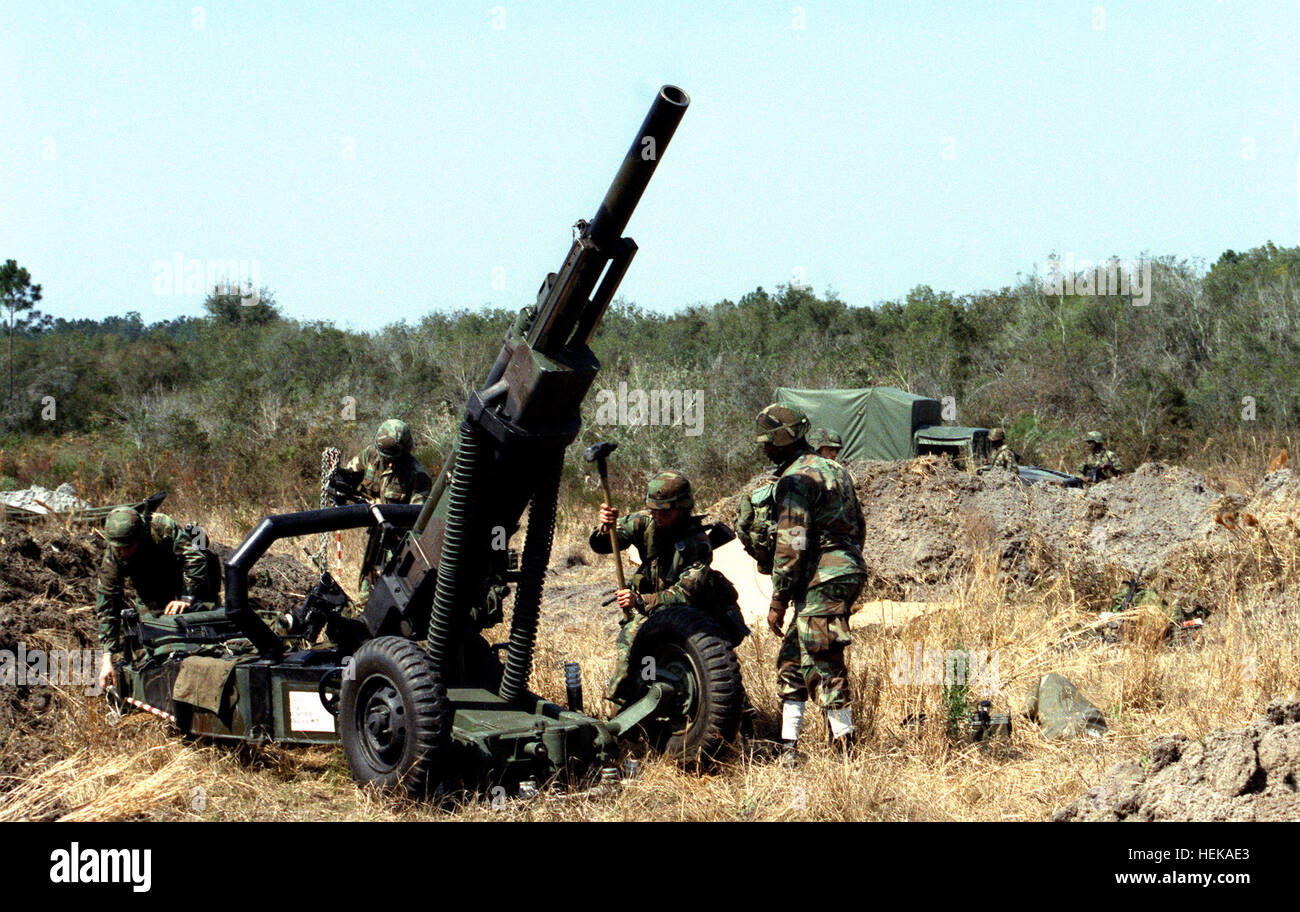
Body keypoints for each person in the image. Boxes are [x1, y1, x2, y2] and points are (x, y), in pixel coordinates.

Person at [754, 403, 866, 763]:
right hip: (839, 569)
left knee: (822, 657)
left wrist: (778, 599)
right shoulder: (834, 469)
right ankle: (789, 747)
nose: (764, 448)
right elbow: (858, 526)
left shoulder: (795, 480)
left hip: (822, 574)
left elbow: (793, 541)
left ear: (782, 440)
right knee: (792, 656)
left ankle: (845, 752)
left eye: (768, 441)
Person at [590, 471, 746, 707]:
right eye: (654, 509)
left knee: (717, 668)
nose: (658, 516)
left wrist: (640, 601)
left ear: (682, 509)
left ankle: (740, 715)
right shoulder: (644, 521)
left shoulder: (698, 544)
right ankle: (625, 712)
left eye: (666, 511)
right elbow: (602, 545)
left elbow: (684, 594)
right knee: (632, 655)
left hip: (692, 612)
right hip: (652, 611)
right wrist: (605, 527)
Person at [95, 505, 218, 691]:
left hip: (184, 581)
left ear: (139, 535)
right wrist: (107, 658)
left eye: (128, 546)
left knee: (204, 634)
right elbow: (107, 601)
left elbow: (194, 558)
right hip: (151, 591)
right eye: (119, 548)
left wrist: (186, 597)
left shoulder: (160, 527)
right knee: (152, 643)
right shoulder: (115, 552)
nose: (123, 553)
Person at [341, 419, 432, 600]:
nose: (388, 462)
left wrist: (391, 519)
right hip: (376, 536)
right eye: (385, 457)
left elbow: (417, 517)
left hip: (398, 544)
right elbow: (350, 475)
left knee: (390, 590)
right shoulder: (371, 455)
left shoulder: (417, 475)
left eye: (392, 458)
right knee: (365, 588)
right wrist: (340, 481)